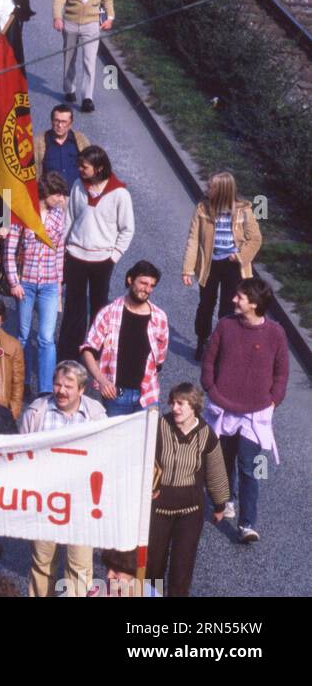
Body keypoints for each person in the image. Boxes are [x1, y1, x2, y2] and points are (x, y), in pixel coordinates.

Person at [202, 277, 288, 544]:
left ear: (254, 303)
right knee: (224, 461)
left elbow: (282, 373)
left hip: (255, 414)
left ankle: (247, 524)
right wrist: (212, 390)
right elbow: (209, 360)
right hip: (223, 409)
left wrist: (274, 400)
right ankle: (226, 500)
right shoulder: (226, 325)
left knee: (250, 467)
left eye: (239, 297)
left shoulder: (276, 333)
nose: (233, 300)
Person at [19, 360, 104, 597]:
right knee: (42, 564)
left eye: (68, 386)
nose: (61, 391)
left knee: (79, 567)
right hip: (45, 501)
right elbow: (21, 457)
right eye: (57, 384)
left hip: (81, 504)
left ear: (82, 389)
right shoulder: (36, 411)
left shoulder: (96, 415)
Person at [149, 382, 231, 597]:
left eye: (180, 403)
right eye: (172, 403)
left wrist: (220, 503)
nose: (174, 408)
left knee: (182, 566)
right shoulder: (159, 427)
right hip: (158, 507)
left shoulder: (206, 434)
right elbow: (142, 461)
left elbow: (216, 471)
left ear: (194, 405)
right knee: (153, 565)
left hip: (191, 509)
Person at [58, 145, 135, 361]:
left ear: (99, 168)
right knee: (74, 307)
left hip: (102, 260)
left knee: (99, 307)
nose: (80, 169)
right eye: (80, 165)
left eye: (85, 166)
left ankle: (96, 354)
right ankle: (68, 355)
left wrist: (114, 256)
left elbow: (127, 228)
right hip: (75, 256)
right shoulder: (78, 185)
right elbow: (69, 219)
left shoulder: (120, 193)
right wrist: (62, 249)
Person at [182, 170, 262, 361]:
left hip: (233, 265)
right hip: (210, 264)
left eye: (211, 187)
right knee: (206, 304)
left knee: (228, 307)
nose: (206, 189)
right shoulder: (203, 208)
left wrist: (241, 256)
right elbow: (193, 239)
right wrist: (187, 268)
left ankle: (222, 345)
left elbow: (255, 238)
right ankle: (202, 339)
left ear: (223, 191)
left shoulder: (243, 210)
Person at [4, 170, 69, 397]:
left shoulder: (59, 215)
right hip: (26, 284)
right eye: (59, 195)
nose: (62, 200)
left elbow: (59, 249)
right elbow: (9, 251)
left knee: (46, 338)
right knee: (22, 336)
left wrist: (59, 285)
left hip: (50, 285)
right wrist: (14, 282)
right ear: (47, 192)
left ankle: (45, 388)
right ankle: (21, 382)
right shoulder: (23, 212)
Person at [80, 259, 170, 416]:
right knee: (116, 440)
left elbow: (159, 360)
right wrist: (102, 381)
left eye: (151, 286)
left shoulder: (160, 317)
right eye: (143, 283)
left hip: (147, 395)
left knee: (145, 440)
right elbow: (88, 350)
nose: (147, 289)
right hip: (116, 396)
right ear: (130, 280)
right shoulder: (108, 313)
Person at [52, 0, 115, 113]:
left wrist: (109, 17)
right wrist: (57, 17)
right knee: (69, 58)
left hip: (91, 24)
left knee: (89, 61)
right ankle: (69, 89)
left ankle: (87, 98)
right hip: (70, 23)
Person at [36, 104, 87, 191]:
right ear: (51, 121)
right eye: (56, 121)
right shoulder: (39, 143)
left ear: (70, 123)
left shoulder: (81, 140)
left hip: (76, 194)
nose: (59, 125)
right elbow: (33, 174)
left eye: (64, 122)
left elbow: (92, 166)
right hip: (51, 197)